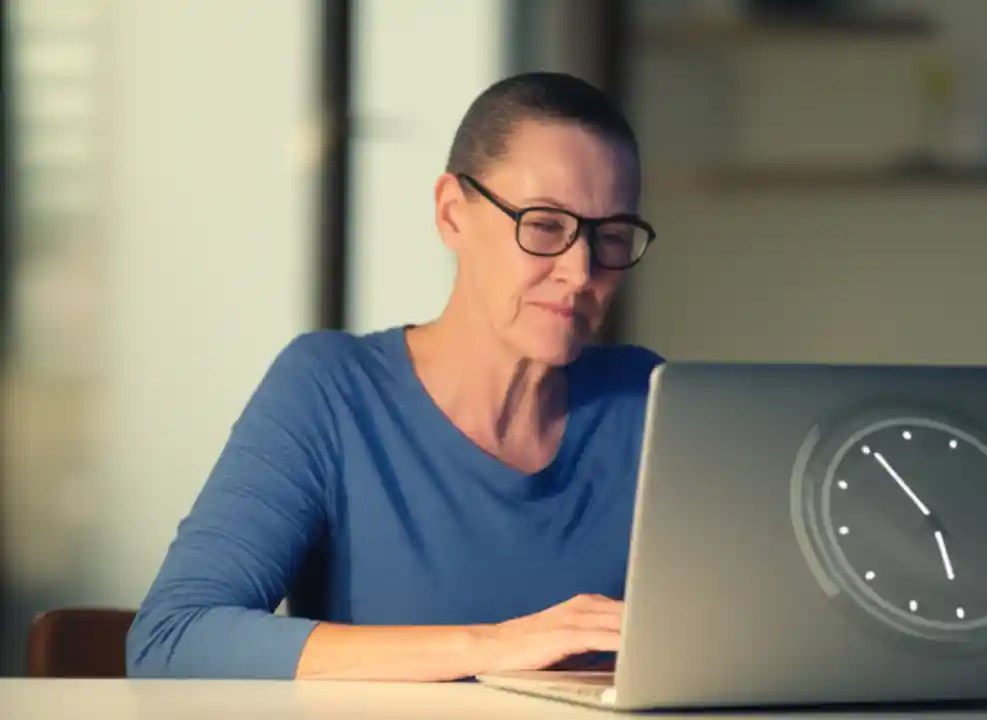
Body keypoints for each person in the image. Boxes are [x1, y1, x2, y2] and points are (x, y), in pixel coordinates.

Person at [125, 72, 663, 682]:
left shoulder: (650, 402)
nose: (580, 270)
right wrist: (492, 647)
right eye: (544, 226)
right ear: (452, 214)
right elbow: (173, 638)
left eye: (611, 237)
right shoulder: (331, 390)